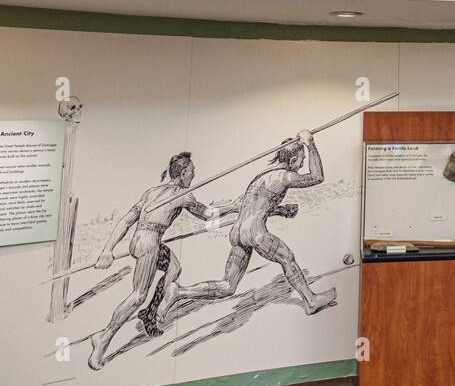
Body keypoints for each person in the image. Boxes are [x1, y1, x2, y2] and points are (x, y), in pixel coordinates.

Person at [157, 130, 337, 325]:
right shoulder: (284, 176)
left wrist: (280, 210)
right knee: (288, 258)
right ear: (292, 159)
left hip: (238, 233)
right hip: (256, 233)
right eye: (301, 160)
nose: (301, 164)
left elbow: (256, 208)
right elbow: (317, 177)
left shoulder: (261, 178)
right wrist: (310, 145)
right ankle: (310, 301)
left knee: (227, 286)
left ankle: (179, 292)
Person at [88, 152, 235, 370]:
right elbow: (207, 214)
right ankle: (103, 337)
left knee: (174, 268)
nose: (193, 176)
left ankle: (151, 312)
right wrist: (234, 206)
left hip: (140, 240)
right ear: (183, 173)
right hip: (149, 244)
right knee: (138, 296)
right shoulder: (183, 195)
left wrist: (108, 249)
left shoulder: (152, 192)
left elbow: (127, 221)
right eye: (192, 172)